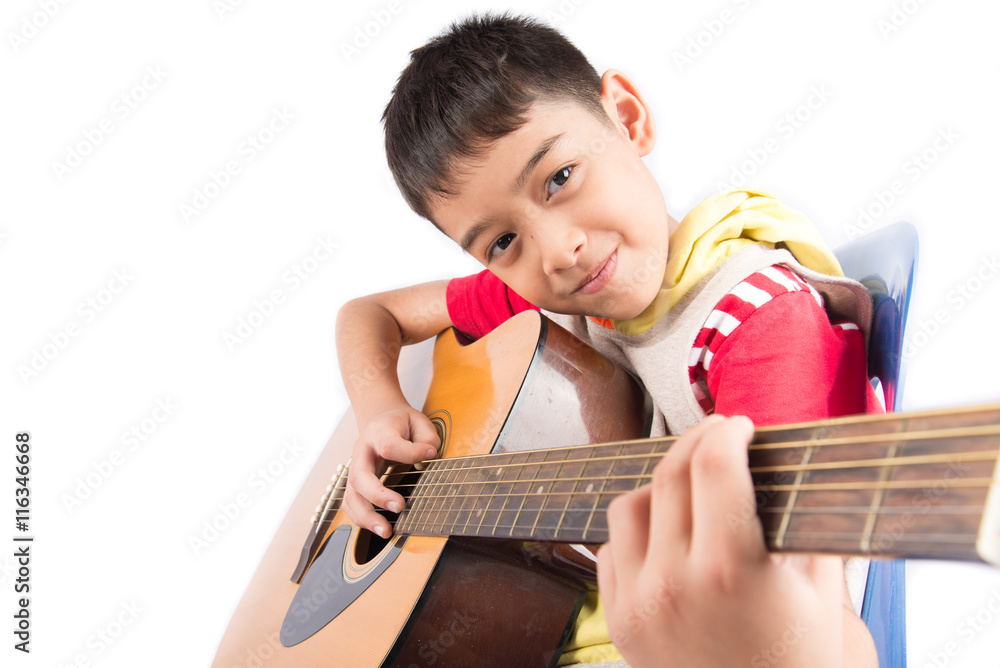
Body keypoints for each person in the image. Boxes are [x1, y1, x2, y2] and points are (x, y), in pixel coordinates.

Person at [335, 12, 878, 667]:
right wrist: (379, 411)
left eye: (560, 178)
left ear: (626, 115)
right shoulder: (548, 297)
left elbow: (829, 632)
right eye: (502, 242)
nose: (559, 250)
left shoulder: (756, 326)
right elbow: (369, 314)